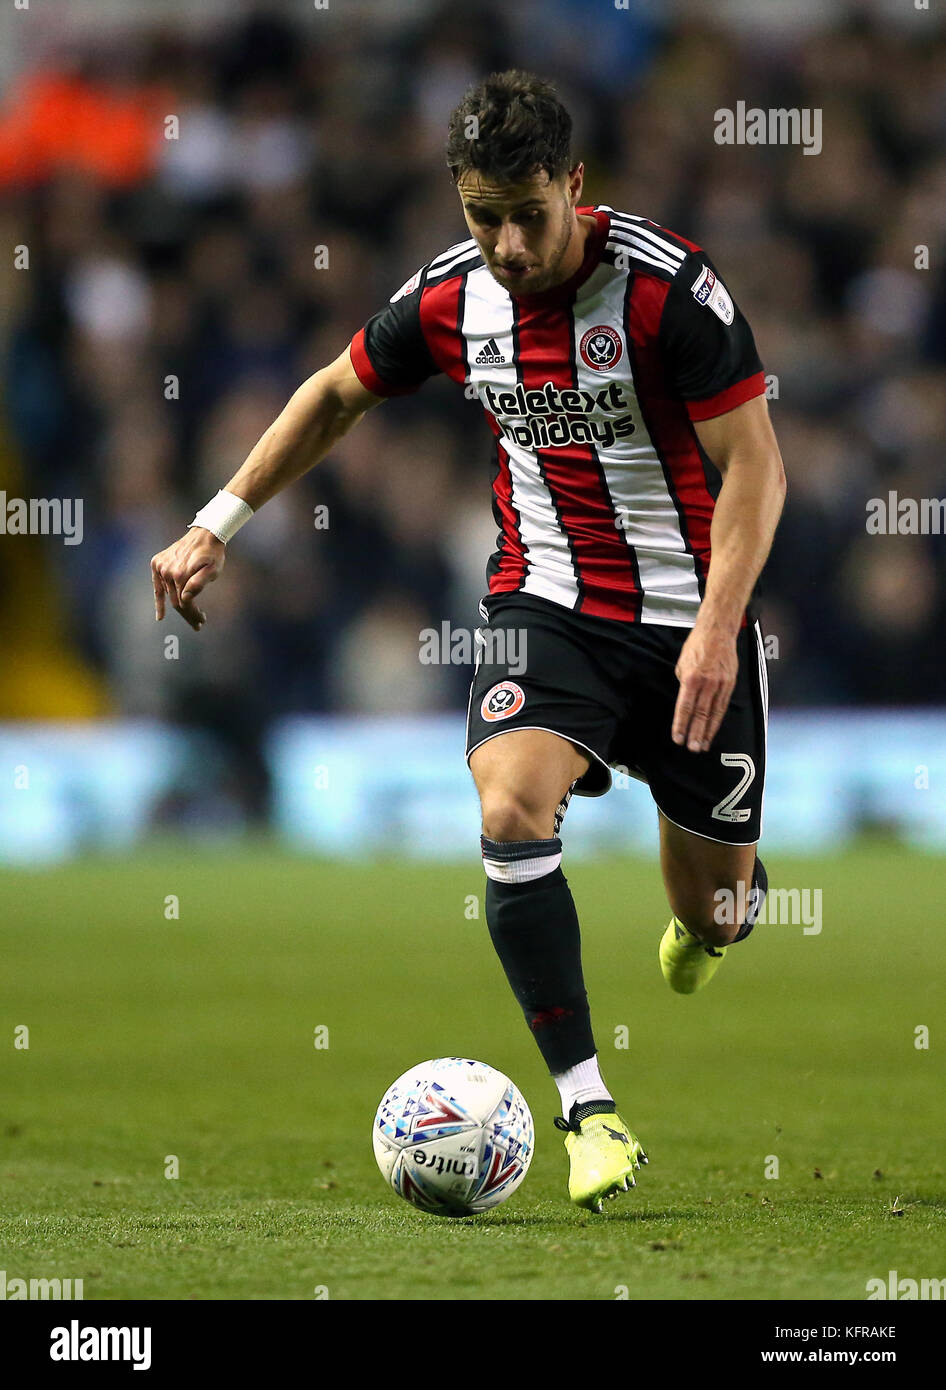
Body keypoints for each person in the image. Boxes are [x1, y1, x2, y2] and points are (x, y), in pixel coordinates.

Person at [151, 70, 786, 1213]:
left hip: (693, 621)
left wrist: (718, 630)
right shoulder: (451, 298)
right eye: (479, 214)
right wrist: (216, 521)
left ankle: (718, 911)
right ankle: (587, 1106)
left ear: (574, 188)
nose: (503, 243)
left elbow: (757, 466)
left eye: (526, 215)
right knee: (505, 805)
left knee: (720, 912)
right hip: (547, 609)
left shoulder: (666, 289)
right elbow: (336, 392)